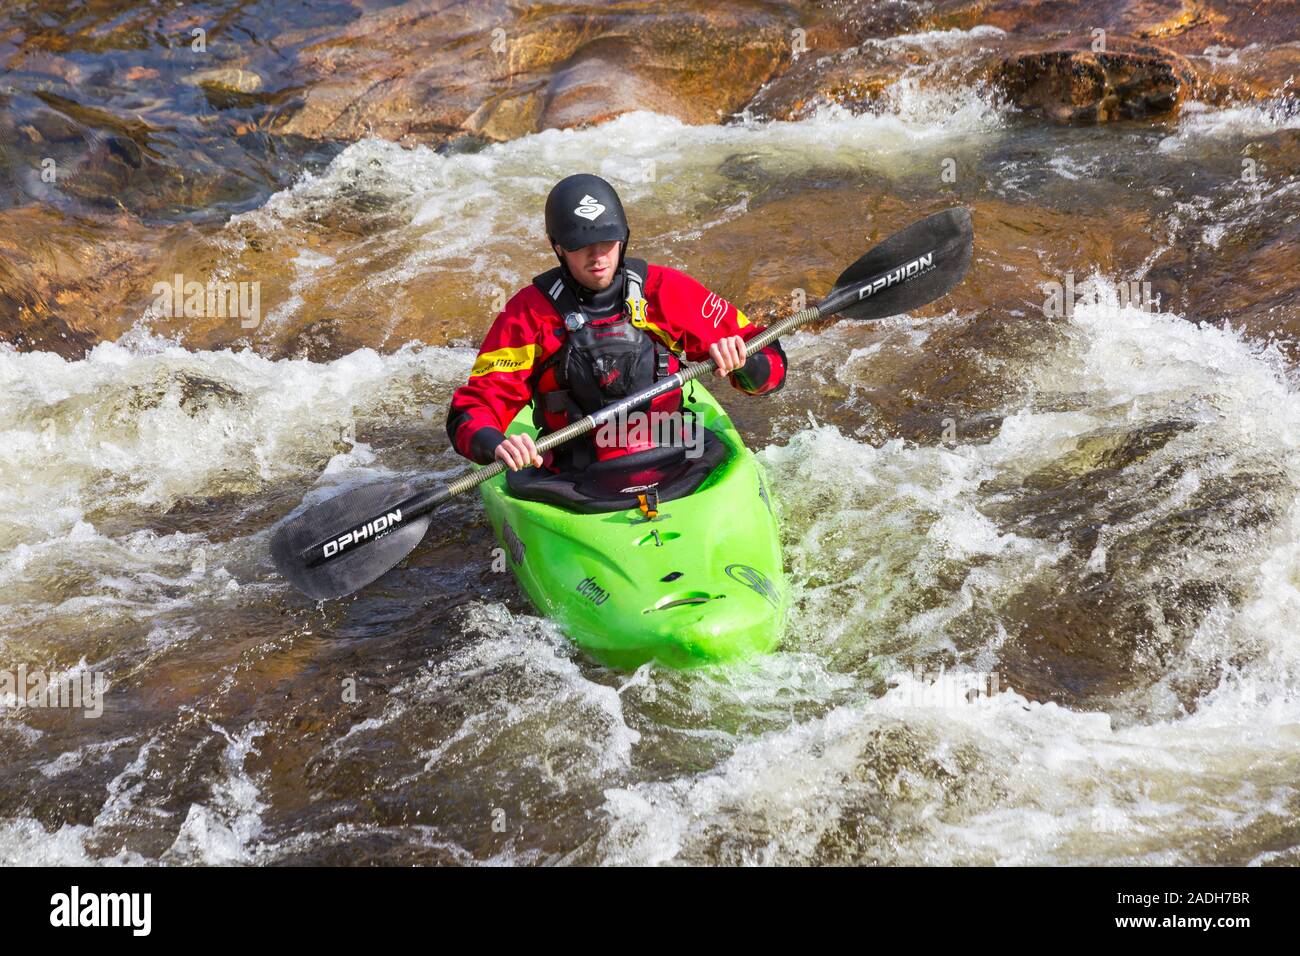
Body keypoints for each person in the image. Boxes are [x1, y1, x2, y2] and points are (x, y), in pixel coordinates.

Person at [445, 173, 786, 474]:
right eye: (581, 245)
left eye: (607, 241)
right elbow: (472, 409)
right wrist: (495, 445)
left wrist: (746, 364)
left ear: (623, 238)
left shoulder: (664, 291)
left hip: (677, 460)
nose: (597, 256)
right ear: (558, 247)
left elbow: (773, 368)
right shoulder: (529, 313)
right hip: (573, 479)